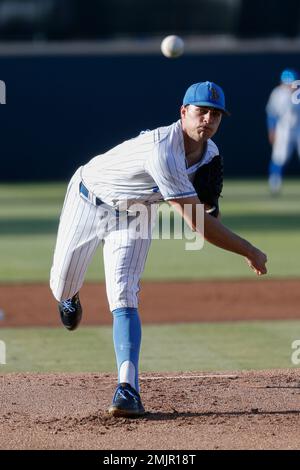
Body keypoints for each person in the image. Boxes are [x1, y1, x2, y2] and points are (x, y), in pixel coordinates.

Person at [50, 81, 267, 417]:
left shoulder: (210, 153)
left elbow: (207, 209)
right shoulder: (162, 152)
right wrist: (248, 249)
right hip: (88, 199)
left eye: (216, 114)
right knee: (61, 285)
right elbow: (199, 225)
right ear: (183, 113)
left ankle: (127, 388)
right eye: (201, 111)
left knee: (124, 295)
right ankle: (70, 296)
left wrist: (211, 209)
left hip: (137, 213)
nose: (208, 119)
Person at [266, 68, 300, 194]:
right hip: (283, 128)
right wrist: (272, 130)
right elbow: (272, 114)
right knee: (280, 156)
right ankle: (274, 183)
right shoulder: (277, 93)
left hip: (299, 128)